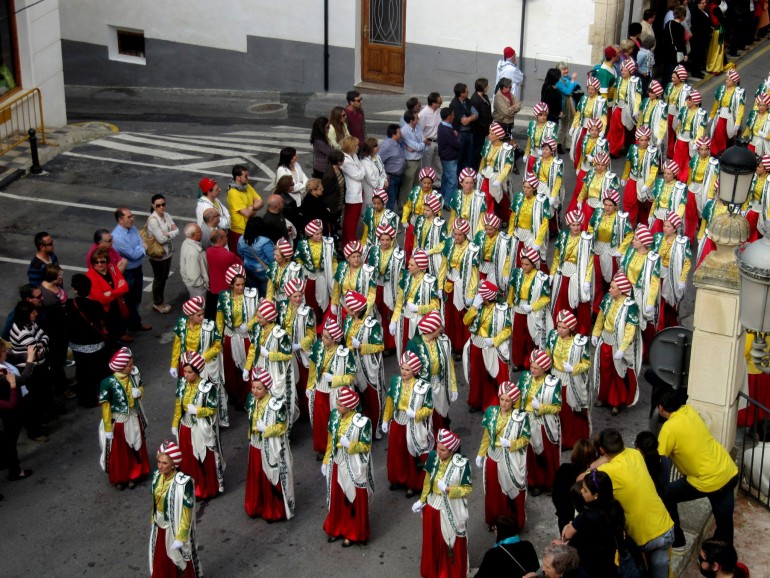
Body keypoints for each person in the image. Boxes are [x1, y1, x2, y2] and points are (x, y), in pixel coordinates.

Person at [657, 390, 739, 545]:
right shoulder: (689, 411)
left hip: (705, 480)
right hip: (728, 471)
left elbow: (658, 460)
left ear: (661, 408)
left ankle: (678, 540)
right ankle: (722, 555)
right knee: (725, 524)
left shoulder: (669, 428)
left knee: (667, 495)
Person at [595, 428, 675, 578]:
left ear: (601, 450)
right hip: (666, 530)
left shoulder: (607, 470)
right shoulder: (636, 454)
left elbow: (582, 480)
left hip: (642, 538)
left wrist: (603, 459)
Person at [412, 428, 472, 578]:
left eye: (443, 450)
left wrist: (449, 489)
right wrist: (422, 500)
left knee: (451, 541)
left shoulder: (462, 464)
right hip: (433, 506)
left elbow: (467, 489)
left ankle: (449, 572)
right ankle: (433, 571)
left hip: (451, 507)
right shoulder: (433, 457)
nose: (438, 452)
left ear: (451, 451)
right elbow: (427, 481)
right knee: (432, 542)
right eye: (438, 447)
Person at [322, 386, 373, 548]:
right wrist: (325, 460)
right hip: (338, 462)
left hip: (354, 466)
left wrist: (350, 445)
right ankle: (336, 528)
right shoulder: (335, 417)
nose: (337, 407)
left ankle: (352, 532)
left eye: (340, 405)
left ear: (350, 406)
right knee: (338, 498)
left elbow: (366, 446)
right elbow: (330, 440)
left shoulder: (362, 422)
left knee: (351, 500)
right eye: (337, 403)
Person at [476, 381, 530, 531]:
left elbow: (526, 439)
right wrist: (481, 454)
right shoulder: (491, 412)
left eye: (507, 400)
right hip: (493, 457)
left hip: (511, 458)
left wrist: (511, 444)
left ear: (513, 402)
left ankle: (512, 521)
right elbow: (487, 435)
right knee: (494, 492)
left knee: (510, 490)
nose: (504, 403)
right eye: (502, 399)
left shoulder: (520, 417)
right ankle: (495, 519)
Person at [244, 367, 295, 522]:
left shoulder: (277, 404)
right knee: (257, 475)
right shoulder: (251, 400)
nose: (255, 391)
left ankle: (273, 509)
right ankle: (256, 506)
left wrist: (266, 429)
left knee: (271, 476)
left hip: (270, 446)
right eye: (253, 387)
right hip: (255, 444)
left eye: (259, 388)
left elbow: (282, 427)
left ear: (267, 388)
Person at [172, 351, 224, 500]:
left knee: (201, 458)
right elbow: (178, 404)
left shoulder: (208, 387)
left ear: (197, 371)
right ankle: (189, 487)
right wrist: (175, 423)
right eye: (185, 371)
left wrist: (198, 411)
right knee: (187, 459)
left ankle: (205, 488)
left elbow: (213, 408)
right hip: (185, 427)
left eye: (189, 372)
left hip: (200, 429)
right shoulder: (182, 384)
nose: (186, 375)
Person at [382, 351, 434, 497]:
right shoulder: (395, 382)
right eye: (402, 368)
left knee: (411, 454)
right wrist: (386, 419)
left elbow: (429, 408)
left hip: (413, 425)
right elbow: (391, 401)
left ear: (415, 371)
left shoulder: (423, 387)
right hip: (398, 421)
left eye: (408, 369)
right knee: (396, 453)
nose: (404, 372)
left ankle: (412, 484)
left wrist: (416, 414)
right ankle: (397, 479)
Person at [98, 347, 149, 490]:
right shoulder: (107, 383)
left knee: (136, 445)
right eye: (128, 365)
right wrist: (108, 428)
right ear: (120, 367)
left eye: (131, 364)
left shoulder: (134, 376)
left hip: (133, 416)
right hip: (119, 422)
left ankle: (135, 474)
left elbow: (141, 387)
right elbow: (106, 407)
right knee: (120, 452)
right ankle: (120, 477)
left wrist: (139, 392)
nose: (131, 367)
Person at [170, 296, 226, 426]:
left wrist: (202, 358)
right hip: (187, 367)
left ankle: (211, 420)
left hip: (206, 366)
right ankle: (188, 419)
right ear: (190, 316)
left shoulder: (210, 326)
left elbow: (217, 346)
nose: (202, 317)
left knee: (207, 393)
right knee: (187, 392)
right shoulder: (181, 324)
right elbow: (177, 345)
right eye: (198, 315)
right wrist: (173, 365)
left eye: (202, 314)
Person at [241, 299, 296, 431]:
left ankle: (281, 430)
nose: (257, 319)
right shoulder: (257, 329)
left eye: (260, 317)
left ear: (269, 318)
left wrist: (270, 355)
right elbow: (253, 348)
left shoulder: (280, 334)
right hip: (260, 367)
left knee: (277, 399)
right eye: (257, 316)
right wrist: (247, 368)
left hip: (276, 371)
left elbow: (288, 354)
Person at [591, 273, 642, 416]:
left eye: (612, 287)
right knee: (604, 371)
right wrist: (596, 333)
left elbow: (629, 331)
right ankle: (603, 397)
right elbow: (601, 318)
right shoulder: (607, 299)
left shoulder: (630, 307)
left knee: (617, 373)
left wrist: (622, 349)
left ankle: (616, 402)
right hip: (605, 341)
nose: (609, 290)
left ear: (621, 290)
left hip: (618, 344)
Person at [149, 440, 202, 578]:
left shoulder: (184, 483)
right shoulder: (156, 477)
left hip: (174, 529)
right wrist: (154, 520)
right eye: (159, 461)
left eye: (164, 463)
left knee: (178, 563)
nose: (160, 466)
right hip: (159, 527)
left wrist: (181, 537)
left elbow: (187, 513)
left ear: (174, 465)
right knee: (160, 561)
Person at [307, 318, 356, 457]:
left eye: (326, 337)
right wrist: (310, 386)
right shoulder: (318, 347)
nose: (322, 338)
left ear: (334, 339)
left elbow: (351, 376)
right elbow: (312, 367)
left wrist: (335, 379)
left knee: (335, 421)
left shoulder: (344, 353)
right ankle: (323, 449)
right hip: (320, 389)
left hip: (337, 393)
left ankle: (337, 446)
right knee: (321, 422)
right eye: (322, 335)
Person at [560, 469, 623, 578]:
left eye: (585, 490)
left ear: (596, 495)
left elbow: (566, 534)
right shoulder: (616, 507)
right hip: (610, 560)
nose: (582, 492)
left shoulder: (588, 516)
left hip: (591, 565)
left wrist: (569, 525)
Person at [463, 280, 511, 412]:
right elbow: (466, 321)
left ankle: (490, 404)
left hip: (490, 347)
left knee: (490, 377)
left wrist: (495, 340)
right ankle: (476, 401)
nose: (478, 296)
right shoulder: (477, 307)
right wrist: (473, 307)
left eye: (481, 295)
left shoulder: (502, 310)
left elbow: (507, 330)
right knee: (476, 376)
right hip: (476, 345)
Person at [546, 310, 591, 450]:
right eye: (558, 326)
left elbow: (587, 364)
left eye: (563, 327)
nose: (559, 330)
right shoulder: (553, 336)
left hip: (571, 381)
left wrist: (574, 368)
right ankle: (558, 436)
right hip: (555, 378)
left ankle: (572, 440)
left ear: (571, 328)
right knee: (555, 411)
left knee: (569, 412)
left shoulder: (580, 342)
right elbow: (548, 355)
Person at [407, 311, 457, 433]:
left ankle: (443, 438)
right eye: (438, 326)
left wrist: (454, 386)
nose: (441, 329)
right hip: (422, 387)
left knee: (441, 416)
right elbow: (408, 370)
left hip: (440, 385)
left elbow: (450, 364)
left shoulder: (444, 341)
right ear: (431, 329)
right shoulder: (414, 344)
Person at [519, 349, 561, 494]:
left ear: (544, 369)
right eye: (531, 366)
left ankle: (550, 482)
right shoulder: (525, 378)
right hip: (527, 421)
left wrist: (541, 408)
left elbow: (557, 407)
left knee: (547, 454)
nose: (532, 370)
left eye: (536, 368)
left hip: (544, 423)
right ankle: (534, 482)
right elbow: (519, 398)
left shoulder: (553, 383)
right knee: (531, 455)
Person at [342, 290, 385, 434]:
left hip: (368, 364)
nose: (346, 309)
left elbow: (380, 346)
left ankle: (375, 426)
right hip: (353, 362)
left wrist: (360, 346)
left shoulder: (372, 324)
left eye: (348, 307)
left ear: (355, 310)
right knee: (359, 395)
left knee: (372, 396)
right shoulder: (348, 320)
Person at [216, 264, 258, 407]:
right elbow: (219, 319)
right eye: (238, 285)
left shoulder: (252, 295)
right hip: (229, 336)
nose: (241, 287)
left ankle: (249, 397)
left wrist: (250, 324)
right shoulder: (223, 297)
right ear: (231, 285)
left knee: (249, 366)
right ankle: (235, 396)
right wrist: (218, 339)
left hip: (246, 337)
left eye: (243, 284)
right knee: (231, 369)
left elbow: (259, 314)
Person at [67, 274, 110, 407]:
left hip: (77, 345)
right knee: (100, 370)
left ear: (75, 289)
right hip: (95, 344)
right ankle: (105, 394)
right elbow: (104, 319)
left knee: (83, 373)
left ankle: (87, 399)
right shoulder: (95, 305)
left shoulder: (70, 305)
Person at [588, 189, 633, 313]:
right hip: (597, 250)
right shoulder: (597, 213)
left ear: (616, 206)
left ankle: (612, 308)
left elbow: (629, 234)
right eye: (605, 204)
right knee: (597, 281)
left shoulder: (621, 218)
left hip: (612, 251)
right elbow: (590, 226)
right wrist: (591, 238)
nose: (607, 208)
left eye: (610, 205)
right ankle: (596, 309)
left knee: (612, 282)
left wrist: (621, 249)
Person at [549, 210, 594, 335]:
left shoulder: (586, 239)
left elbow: (590, 262)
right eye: (573, 225)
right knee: (561, 303)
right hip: (562, 274)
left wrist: (587, 280)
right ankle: (561, 327)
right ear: (569, 225)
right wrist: (552, 274)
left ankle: (579, 330)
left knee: (578, 304)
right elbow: (557, 257)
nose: (576, 227)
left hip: (577, 275)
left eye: (578, 224)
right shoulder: (563, 236)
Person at [389, 250, 440, 359]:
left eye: (412, 265)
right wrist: (394, 320)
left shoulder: (430, 281)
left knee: (417, 351)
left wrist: (418, 308)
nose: (408, 266)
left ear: (420, 267)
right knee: (403, 350)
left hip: (419, 321)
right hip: (404, 319)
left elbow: (435, 306)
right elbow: (399, 301)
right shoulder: (406, 277)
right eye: (409, 264)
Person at [508, 246, 551, 371]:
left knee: (530, 337)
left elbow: (546, 298)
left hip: (533, 311)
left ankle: (529, 362)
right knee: (517, 337)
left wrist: (532, 307)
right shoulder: (517, 273)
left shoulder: (541, 277)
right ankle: (518, 361)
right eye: (522, 263)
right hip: (519, 308)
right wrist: (510, 305)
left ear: (533, 264)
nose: (524, 267)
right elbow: (512, 290)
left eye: (527, 264)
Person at [278, 278, 316, 418]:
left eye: (300, 295)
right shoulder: (281, 307)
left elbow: (311, 334)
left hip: (301, 352)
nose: (298, 299)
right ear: (288, 296)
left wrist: (299, 345)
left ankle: (306, 412)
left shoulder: (308, 311)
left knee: (302, 380)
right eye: (295, 296)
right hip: (284, 350)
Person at [439, 218, 477, 355]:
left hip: (463, 284)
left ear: (465, 234)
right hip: (450, 283)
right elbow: (443, 266)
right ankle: (451, 344)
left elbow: (474, 274)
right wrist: (439, 285)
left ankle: (462, 347)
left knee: (461, 317)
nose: (456, 237)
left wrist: (471, 294)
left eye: (459, 234)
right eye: (454, 234)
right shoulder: (449, 244)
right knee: (450, 317)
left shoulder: (472, 249)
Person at [0, 341, 36, 480]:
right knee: (10, 439)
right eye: (3, 352)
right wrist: (30, 360)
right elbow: (23, 379)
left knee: (8, 438)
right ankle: (15, 470)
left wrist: (28, 354)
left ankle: (7, 462)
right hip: (10, 409)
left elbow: (13, 357)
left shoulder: (3, 360)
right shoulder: (2, 376)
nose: (6, 353)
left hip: (11, 405)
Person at [112, 208, 152, 332]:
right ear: (120, 220)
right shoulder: (117, 237)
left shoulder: (132, 229)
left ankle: (135, 323)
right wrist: (142, 248)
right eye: (129, 217)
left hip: (137, 269)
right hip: (128, 272)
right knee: (127, 301)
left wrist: (140, 248)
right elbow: (133, 254)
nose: (132, 219)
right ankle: (127, 327)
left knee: (136, 298)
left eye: (132, 216)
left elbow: (141, 243)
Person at [367, 223, 403, 355]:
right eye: (382, 240)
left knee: (389, 314)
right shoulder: (374, 251)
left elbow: (401, 272)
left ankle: (390, 344)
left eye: (388, 240)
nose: (385, 242)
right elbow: (369, 268)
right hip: (377, 287)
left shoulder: (398, 254)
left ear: (392, 239)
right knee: (377, 314)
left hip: (391, 287)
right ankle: (377, 341)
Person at [652, 212, 691, 330]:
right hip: (659, 273)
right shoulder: (658, 238)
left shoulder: (681, 243)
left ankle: (666, 324)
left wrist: (682, 279)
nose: (665, 229)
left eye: (668, 227)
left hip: (671, 274)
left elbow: (687, 262)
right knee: (657, 299)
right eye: (664, 226)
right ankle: (657, 323)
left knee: (668, 301)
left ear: (675, 229)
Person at [296, 219, 336, 327]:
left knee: (323, 298)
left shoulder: (328, 243)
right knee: (308, 297)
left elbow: (334, 258)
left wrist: (334, 272)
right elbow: (298, 258)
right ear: (310, 234)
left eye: (320, 233)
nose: (319, 236)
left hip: (323, 274)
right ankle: (310, 318)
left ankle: (321, 319)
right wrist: (301, 268)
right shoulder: (302, 244)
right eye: (316, 234)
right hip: (308, 275)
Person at [551, 439, 597, 532]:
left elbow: (555, 494)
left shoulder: (564, 469)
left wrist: (561, 512)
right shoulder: (593, 474)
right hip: (585, 519)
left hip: (566, 517)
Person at [87, 248, 130, 343]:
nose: (99, 264)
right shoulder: (91, 276)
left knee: (118, 321)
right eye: (96, 262)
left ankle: (119, 336)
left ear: (107, 261)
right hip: (104, 310)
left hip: (115, 304)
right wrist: (118, 290)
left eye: (102, 261)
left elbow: (125, 287)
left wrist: (111, 293)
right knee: (108, 331)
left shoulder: (112, 268)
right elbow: (101, 299)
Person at [475, 515, 539, 578]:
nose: (494, 531)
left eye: (495, 528)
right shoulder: (528, 546)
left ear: (500, 531)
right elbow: (537, 569)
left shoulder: (492, 554)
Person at [508, 173, 551, 268]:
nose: (525, 190)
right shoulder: (518, 198)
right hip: (518, 233)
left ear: (534, 188)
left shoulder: (541, 201)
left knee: (532, 263)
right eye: (524, 187)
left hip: (531, 235)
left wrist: (538, 242)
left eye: (528, 188)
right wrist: (510, 234)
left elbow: (544, 223)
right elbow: (513, 217)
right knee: (516, 261)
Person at [146, 194, 179, 314]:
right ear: (153, 206)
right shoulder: (153, 221)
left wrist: (168, 234)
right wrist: (170, 234)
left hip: (167, 252)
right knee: (159, 279)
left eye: (163, 204)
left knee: (164, 277)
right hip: (158, 255)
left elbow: (177, 230)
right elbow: (160, 239)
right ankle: (158, 302)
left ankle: (160, 301)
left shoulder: (167, 215)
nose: (161, 207)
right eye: (158, 205)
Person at [329, 240, 376, 326]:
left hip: (361, 309)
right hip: (344, 307)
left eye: (358, 256)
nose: (356, 259)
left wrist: (363, 311)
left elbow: (372, 294)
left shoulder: (368, 271)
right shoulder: (341, 267)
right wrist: (334, 302)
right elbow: (337, 286)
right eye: (353, 256)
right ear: (348, 258)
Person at [622, 126, 662, 227]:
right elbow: (628, 164)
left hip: (646, 181)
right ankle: (629, 225)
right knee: (630, 202)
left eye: (645, 140)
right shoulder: (632, 148)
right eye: (641, 140)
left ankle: (645, 225)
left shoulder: (653, 152)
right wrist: (624, 177)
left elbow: (654, 170)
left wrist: (647, 184)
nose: (643, 142)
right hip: (633, 178)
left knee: (647, 204)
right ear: (637, 140)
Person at [478, 122, 515, 221]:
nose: (489, 135)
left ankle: (507, 217)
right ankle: (488, 218)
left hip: (499, 176)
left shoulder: (507, 149)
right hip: (486, 174)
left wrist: (499, 179)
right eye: (489, 133)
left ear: (498, 136)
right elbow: (483, 159)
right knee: (486, 197)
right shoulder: (487, 144)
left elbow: (507, 166)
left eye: (492, 133)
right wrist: (479, 172)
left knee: (503, 200)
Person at [570, 77, 608, 168]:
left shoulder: (601, 101)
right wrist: (573, 126)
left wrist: (602, 131)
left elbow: (603, 117)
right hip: (582, 127)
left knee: (590, 149)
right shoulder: (583, 98)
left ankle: (588, 168)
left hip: (593, 129)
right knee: (577, 147)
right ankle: (578, 167)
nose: (590, 91)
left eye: (592, 89)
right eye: (589, 89)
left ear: (597, 90)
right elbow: (578, 113)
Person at [607, 59, 642, 158]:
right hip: (618, 107)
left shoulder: (635, 81)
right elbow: (612, 91)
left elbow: (638, 96)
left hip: (629, 108)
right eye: (622, 70)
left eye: (625, 70)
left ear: (630, 71)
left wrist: (636, 109)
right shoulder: (619, 80)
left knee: (631, 130)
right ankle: (614, 150)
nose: (622, 72)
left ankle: (628, 147)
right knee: (615, 130)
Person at [204, 229, 243, 318]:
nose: (227, 238)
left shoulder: (208, 251)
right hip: (226, 289)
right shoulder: (229, 255)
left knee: (213, 313)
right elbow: (240, 265)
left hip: (213, 289)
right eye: (225, 236)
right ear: (220, 239)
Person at [709, 68, 746, 157]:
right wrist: (712, 115)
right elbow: (716, 103)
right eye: (727, 79)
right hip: (721, 115)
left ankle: (728, 153)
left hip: (731, 117)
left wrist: (737, 122)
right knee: (718, 133)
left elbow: (741, 108)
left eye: (729, 80)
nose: (727, 81)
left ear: (734, 82)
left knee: (730, 136)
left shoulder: (739, 92)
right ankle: (717, 153)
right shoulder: (721, 89)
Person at [227, 164, 263, 252]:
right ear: (238, 178)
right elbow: (247, 213)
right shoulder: (233, 193)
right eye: (246, 176)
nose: (248, 178)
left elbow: (261, 202)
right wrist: (254, 208)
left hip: (248, 228)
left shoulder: (247, 187)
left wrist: (251, 208)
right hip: (238, 231)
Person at [237, 217, 274, 298]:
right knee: (265, 292)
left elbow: (240, 253)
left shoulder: (241, 239)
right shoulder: (265, 241)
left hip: (248, 268)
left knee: (253, 291)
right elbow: (272, 259)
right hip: (263, 271)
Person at [339, 136, 366, 246]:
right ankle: (348, 240)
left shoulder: (353, 155)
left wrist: (361, 170)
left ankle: (351, 238)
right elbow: (358, 175)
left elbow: (360, 169)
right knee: (350, 219)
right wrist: (362, 170)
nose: (358, 147)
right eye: (356, 145)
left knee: (355, 218)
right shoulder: (345, 160)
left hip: (358, 191)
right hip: (352, 193)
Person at [663, 65, 693, 158]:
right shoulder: (669, 86)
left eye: (674, 77)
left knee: (679, 134)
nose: (672, 79)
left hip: (679, 115)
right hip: (669, 113)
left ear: (681, 78)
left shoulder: (686, 89)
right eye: (672, 77)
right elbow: (665, 99)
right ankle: (670, 153)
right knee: (669, 134)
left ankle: (678, 153)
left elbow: (688, 103)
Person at [448, 167, 487, 235]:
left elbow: (481, 220)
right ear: (461, 183)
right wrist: (449, 233)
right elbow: (452, 217)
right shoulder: (456, 194)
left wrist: (477, 236)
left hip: (473, 228)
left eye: (471, 183)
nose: (469, 186)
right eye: (466, 183)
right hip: (458, 228)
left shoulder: (480, 197)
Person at [450, 83, 478, 175]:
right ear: (461, 93)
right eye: (466, 91)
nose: (468, 92)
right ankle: (458, 178)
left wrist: (469, 118)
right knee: (460, 157)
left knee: (468, 157)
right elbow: (463, 121)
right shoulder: (454, 104)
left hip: (469, 132)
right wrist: (471, 117)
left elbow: (476, 114)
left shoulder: (468, 101)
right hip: (460, 133)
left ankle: (466, 176)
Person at [264, 238, 302, 304]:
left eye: (277, 255)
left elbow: (297, 292)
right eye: (274, 254)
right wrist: (269, 302)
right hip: (276, 300)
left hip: (290, 302)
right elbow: (270, 288)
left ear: (285, 257)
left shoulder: (294, 269)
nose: (274, 257)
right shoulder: (272, 266)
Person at [524, 103, 558, 173]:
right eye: (540, 115)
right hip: (533, 152)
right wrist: (526, 153)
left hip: (546, 154)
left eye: (545, 115)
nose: (543, 117)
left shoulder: (551, 126)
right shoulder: (532, 124)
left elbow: (555, 143)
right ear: (536, 115)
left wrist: (548, 152)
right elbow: (529, 141)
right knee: (531, 174)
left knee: (542, 175)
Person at [378, 124, 405, 211]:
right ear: (393, 135)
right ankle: (386, 220)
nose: (401, 135)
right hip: (391, 177)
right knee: (391, 199)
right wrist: (384, 174)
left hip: (398, 176)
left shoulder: (396, 143)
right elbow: (378, 160)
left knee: (394, 198)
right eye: (399, 133)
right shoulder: (387, 145)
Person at [273, 146, 308, 214]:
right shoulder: (282, 170)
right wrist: (304, 184)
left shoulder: (296, 164)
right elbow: (291, 188)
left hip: (301, 197)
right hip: (290, 201)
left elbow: (303, 176)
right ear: (289, 159)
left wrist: (304, 183)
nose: (296, 156)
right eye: (294, 155)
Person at [438, 108, 462, 204]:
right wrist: (458, 137)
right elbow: (456, 144)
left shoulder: (443, 126)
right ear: (449, 117)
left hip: (446, 157)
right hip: (450, 158)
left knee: (446, 179)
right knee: (452, 181)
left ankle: (443, 197)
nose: (454, 116)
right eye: (452, 115)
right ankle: (447, 202)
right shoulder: (447, 130)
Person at [420, 92, 444, 188]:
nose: (440, 104)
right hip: (428, 142)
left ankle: (437, 184)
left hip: (437, 141)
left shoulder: (438, 112)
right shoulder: (423, 114)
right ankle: (426, 184)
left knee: (438, 165)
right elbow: (419, 131)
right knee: (427, 165)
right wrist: (425, 140)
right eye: (439, 103)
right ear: (433, 103)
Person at [179, 223, 209, 300]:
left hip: (195, 285)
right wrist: (203, 285)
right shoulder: (193, 253)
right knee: (199, 307)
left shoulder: (187, 242)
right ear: (193, 235)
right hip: (197, 288)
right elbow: (194, 276)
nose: (202, 232)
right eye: (199, 231)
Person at [321, 149, 346, 232]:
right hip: (332, 205)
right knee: (331, 224)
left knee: (336, 222)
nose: (343, 161)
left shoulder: (339, 170)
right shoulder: (329, 175)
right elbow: (326, 192)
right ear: (338, 161)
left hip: (339, 203)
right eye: (342, 159)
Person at [471, 77, 493, 167]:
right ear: (483, 87)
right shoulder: (475, 99)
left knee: (482, 148)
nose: (488, 87)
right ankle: (476, 167)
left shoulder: (484, 96)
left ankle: (480, 165)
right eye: (486, 86)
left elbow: (488, 112)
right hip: (479, 130)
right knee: (477, 149)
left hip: (485, 127)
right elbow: (478, 118)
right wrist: (486, 130)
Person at [360, 138, 387, 209]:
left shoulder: (377, 156)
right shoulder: (364, 162)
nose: (378, 147)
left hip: (380, 190)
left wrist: (385, 180)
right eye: (375, 146)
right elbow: (372, 180)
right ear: (370, 148)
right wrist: (383, 183)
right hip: (371, 191)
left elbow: (382, 170)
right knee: (371, 212)